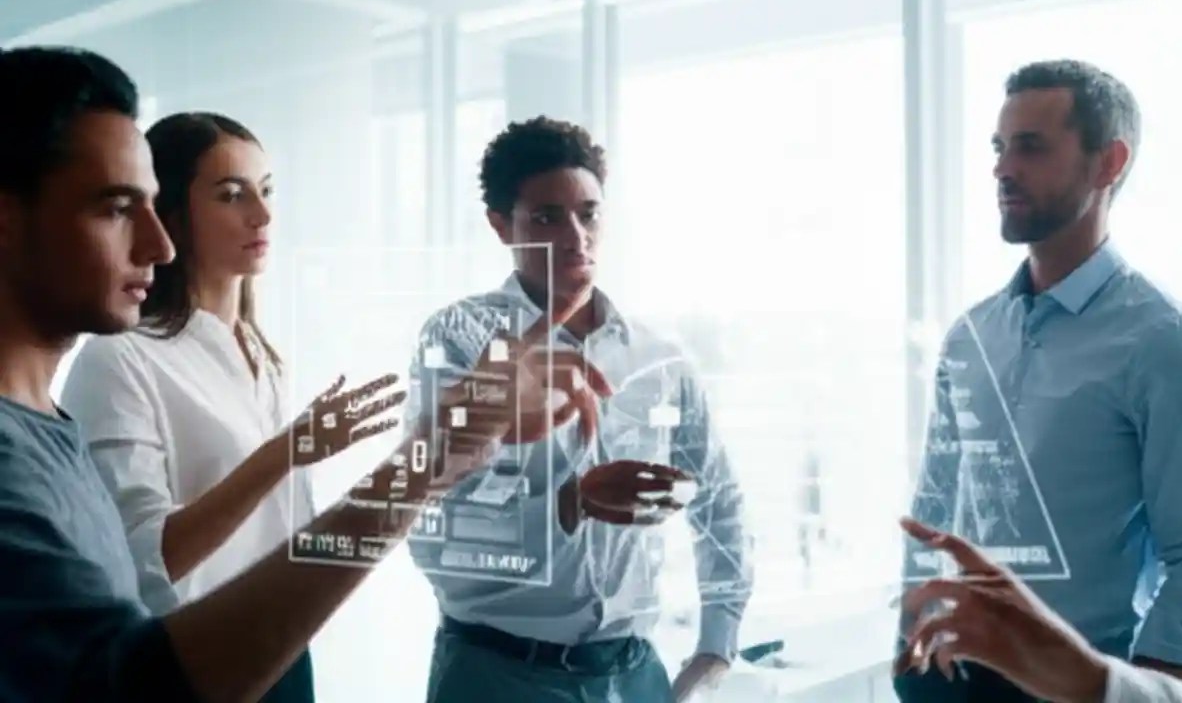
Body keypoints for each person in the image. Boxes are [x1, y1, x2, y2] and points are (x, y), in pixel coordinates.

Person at [0, 44, 599, 701]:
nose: (157, 246)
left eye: (266, 191)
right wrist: (430, 455)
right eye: (116, 207)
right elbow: (141, 669)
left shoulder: (244, 361)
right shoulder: (111, 370)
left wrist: (435, 458)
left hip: (271, 654)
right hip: (212, 658)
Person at [897, 19, 1182, 703]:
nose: (1002, 169)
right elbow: (935, 503)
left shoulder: (1173, 345)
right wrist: (910, 638)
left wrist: (1143, 685)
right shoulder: (968, 336)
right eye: (999, 147)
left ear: (1108, 164)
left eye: (1031, 148)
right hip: (947, 680)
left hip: (1076, 684)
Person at [58, 111, 403, 702]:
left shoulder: (262, 357)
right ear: (170, 215)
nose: (262, 215)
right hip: (193, 669)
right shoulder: (119, 360)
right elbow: (151, 558)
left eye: (266, 192)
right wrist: (285, 452)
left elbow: (281, 537)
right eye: (231, 194)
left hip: (283, 652)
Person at [406, 116, 753, 703]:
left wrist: (715, 648)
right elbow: (428, 518)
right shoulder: (462, 339)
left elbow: (718, 499)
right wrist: (571, 502)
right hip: (498, 674)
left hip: (636, 674)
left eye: (588, 213)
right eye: (546, 217)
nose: (575, 236)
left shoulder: (659, 360)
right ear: (500, 226)